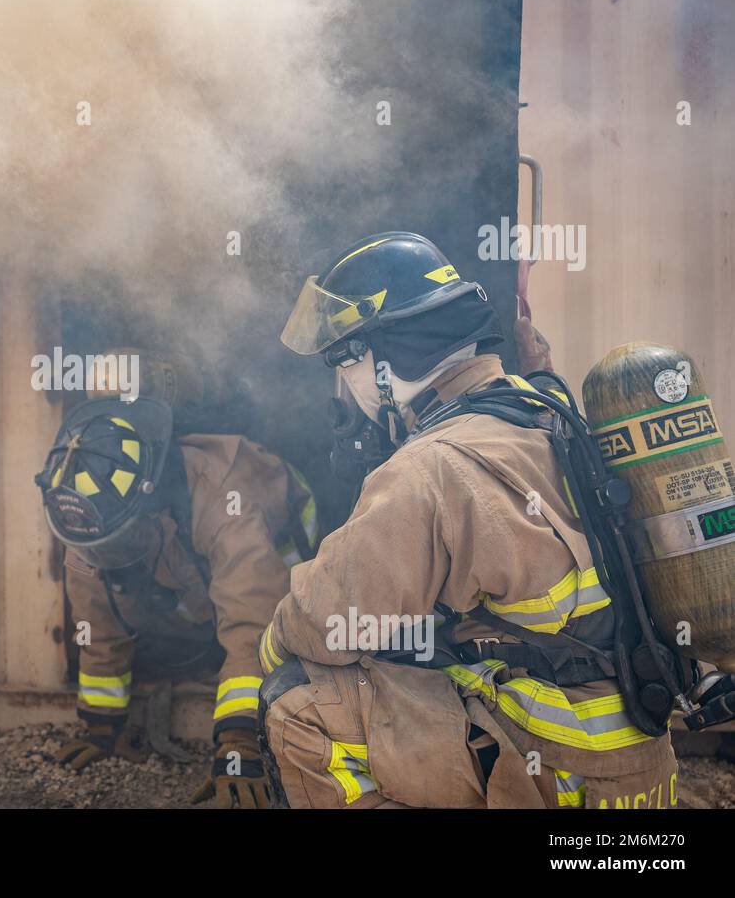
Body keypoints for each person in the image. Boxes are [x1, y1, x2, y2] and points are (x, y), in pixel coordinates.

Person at [258, 232, 676, 809]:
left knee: (299, 697)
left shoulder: (431, 465)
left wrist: (272, 643)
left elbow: (324, 622)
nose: (345, 381)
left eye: (345, 358)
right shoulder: (540, 410)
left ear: (383, 362)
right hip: (637, 769)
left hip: (564, 770)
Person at [36, 395, 317, 808]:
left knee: (270, 628)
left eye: (111, 546)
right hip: (194, 562)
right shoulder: (89, 508)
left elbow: (252, 624)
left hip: (282, 571)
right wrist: (102, 724)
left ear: (151, 506)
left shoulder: (227, 497)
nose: (97, 562)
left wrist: (241, 740)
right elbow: (96, 618)